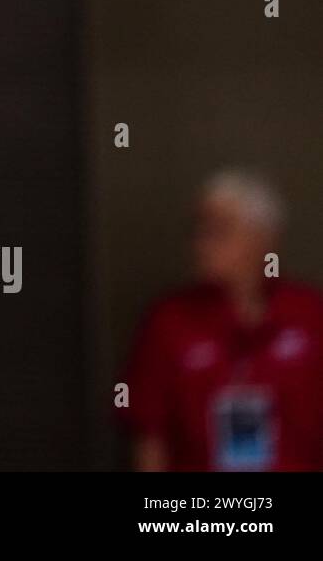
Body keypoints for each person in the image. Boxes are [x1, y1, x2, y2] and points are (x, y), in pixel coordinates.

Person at [120, 168, 323, 471]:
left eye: (220, 230)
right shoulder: (168, 320)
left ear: (263, 237)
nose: (202, 243)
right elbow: (150, 437)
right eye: (199, 230)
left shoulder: (310, 313)